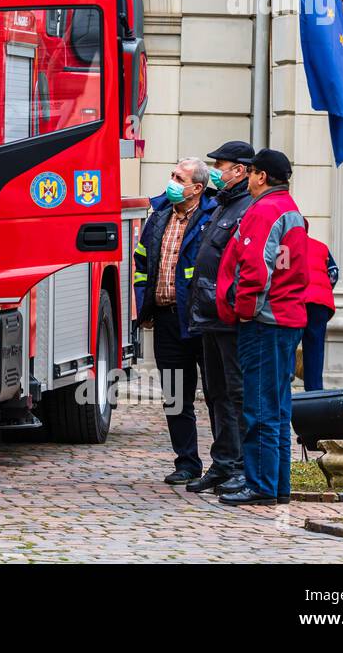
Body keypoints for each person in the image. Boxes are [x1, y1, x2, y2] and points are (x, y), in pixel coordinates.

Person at [215, 148, 309, 506]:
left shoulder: (265, 210)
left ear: (261, 176)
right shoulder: (290, 209)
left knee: (259, 406)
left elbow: (254, 268)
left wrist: (243, 311)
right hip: (284, 318)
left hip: (264, 321)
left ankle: (261, 484)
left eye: (252, 172)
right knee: (277, 406)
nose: (249, 177)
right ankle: (276, 483)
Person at [132, 157, 217, 485]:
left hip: (201, 321)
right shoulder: (160, 216)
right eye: (172, 175)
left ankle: (222, 463)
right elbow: (142, 261)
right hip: (167, 319)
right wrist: (145, 304)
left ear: (197, 188)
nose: (172, 182)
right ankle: (186, 463)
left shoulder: (212, 217)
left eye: (178, 178)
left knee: (214, 396)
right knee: (176, 397)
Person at [183, 140, 256, 496]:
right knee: (215, 393)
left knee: (234, 393)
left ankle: (241, 466)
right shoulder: (223, 205)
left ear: (239, 170)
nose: (217, 171)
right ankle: (223, 462)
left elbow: (245, 264)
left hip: (228, 315)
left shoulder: (247, 207)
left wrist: (228, 301)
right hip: (209, 315)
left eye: (221, 166)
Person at [302, 235, 339, 391]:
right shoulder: (321, 246)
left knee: (288, 342)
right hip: (319, 303)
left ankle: (287, 374)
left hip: (296, 300)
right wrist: (324, 289)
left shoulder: (285, 246)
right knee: (315, 347)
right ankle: (314, 390)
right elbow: (334, 273)